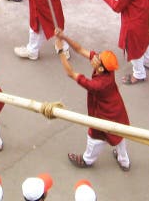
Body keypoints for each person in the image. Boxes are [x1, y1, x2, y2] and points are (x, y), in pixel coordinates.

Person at [55, 31, 131, 171]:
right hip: (117, 111)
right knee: (120, 136)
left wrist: (60, 51)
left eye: (97, 58)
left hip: (104, 114)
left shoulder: (98, 85)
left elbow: (70, 73)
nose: (94, 57)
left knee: (94, 137)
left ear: (101, 68)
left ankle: (87, 160)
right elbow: (79, 49)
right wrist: (63, 37)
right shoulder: (106, 69)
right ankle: (124, 162)